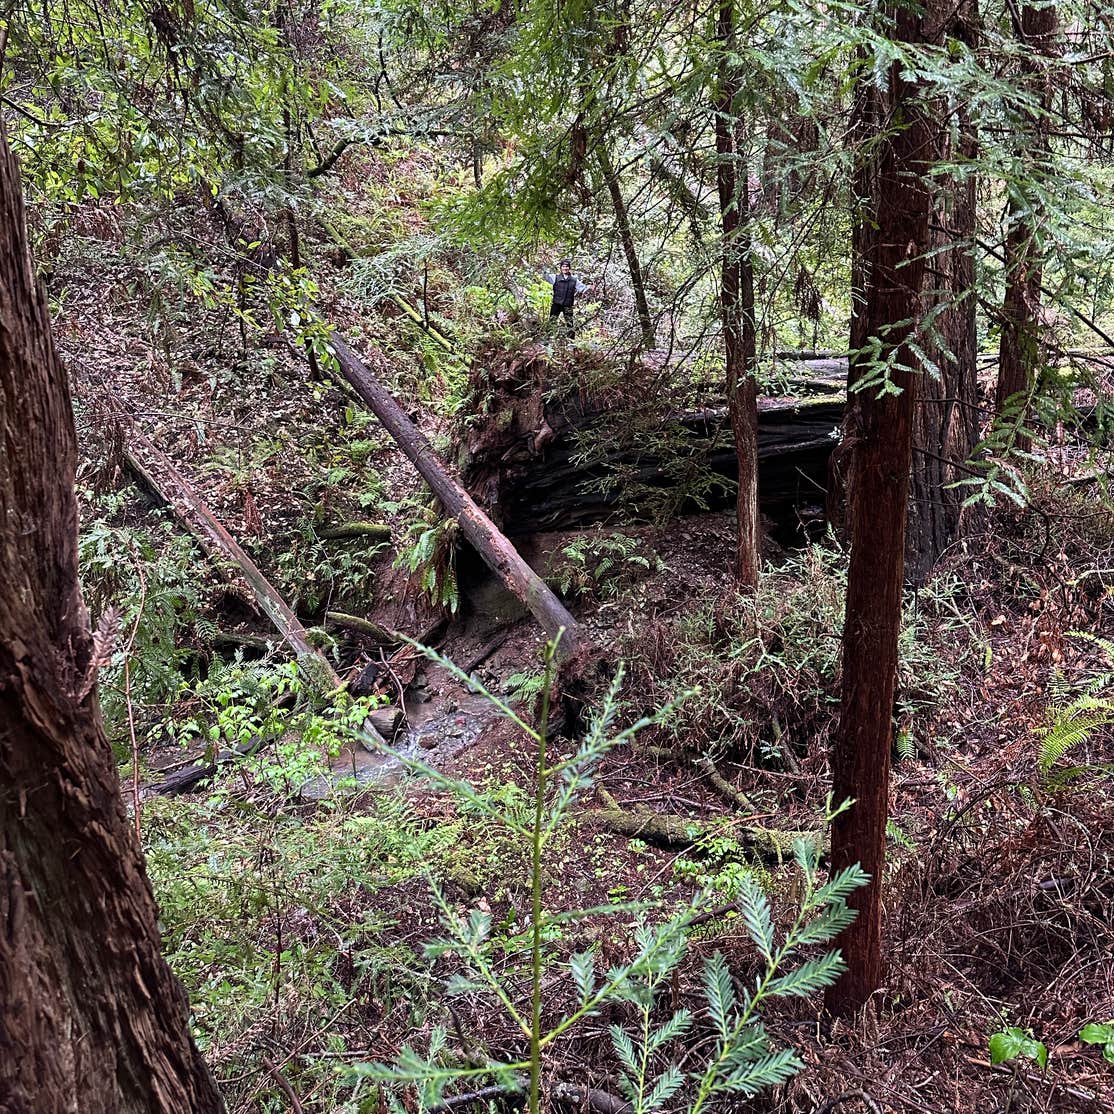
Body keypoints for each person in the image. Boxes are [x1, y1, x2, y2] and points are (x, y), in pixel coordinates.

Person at [541, 259, 592, 337]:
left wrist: (591, 288)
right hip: (556, 304)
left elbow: (583, 289)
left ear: (569, 268)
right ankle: (547, 340)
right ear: (561, 268)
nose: (565, 268)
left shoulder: (574, 280)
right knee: (552, 321)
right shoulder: (555, 277)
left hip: (568, 306)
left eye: (567, 266)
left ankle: (571, 343)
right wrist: (544, 267)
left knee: (570, 324)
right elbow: (545, 276)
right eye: (563, 266)